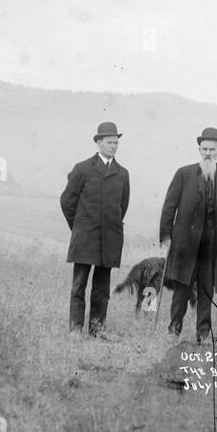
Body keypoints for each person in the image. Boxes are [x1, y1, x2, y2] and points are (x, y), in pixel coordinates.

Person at [160, 127, 217, 344]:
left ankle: (203, 334)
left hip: (212, 246)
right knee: (181, 289)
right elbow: (169, 207)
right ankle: (173, 330)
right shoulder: (184, 174)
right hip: (186, 244)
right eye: (204, 149)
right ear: (199, 149)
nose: (208, 153)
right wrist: (166, 235)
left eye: (212, 149)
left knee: (206, 291)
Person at [60, 121, 130, 336]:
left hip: (109, 239)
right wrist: (79, 227)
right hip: (85, 238)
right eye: (109, 142)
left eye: (116, 143)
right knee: (79, 286)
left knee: (102, 289)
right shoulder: (82, 169)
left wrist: (111, 226)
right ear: (98, 142)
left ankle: (97, 330)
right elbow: (67, 201)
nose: (113, 147)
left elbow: (122, 206)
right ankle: (75, 329)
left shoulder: (122, 173)